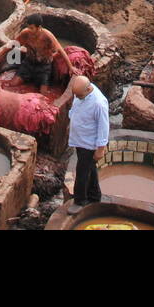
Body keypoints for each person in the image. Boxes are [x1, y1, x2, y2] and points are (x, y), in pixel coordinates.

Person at [0, 13, 73, 95]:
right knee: (11, 84)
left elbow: (60, 50)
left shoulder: (47, 36)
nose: (29, 30)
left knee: (43, 93)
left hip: (44, 67)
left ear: (39, 28)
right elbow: (13, 44)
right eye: (28, 27)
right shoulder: (25, 33)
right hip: (28, 63)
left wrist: (70, 67)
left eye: (31, 28)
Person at [66, 74, 109, 210]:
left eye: (79, 95)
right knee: (90, 168)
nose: (77, 97)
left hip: (89, 143)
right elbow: (75, 109)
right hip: (79, 139)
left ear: (87, 90)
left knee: (82, 172)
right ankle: (95, 196)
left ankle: (80, 201)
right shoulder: (80, 93)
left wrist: (101, 148)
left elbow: (104, 127)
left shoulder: (98, 103)